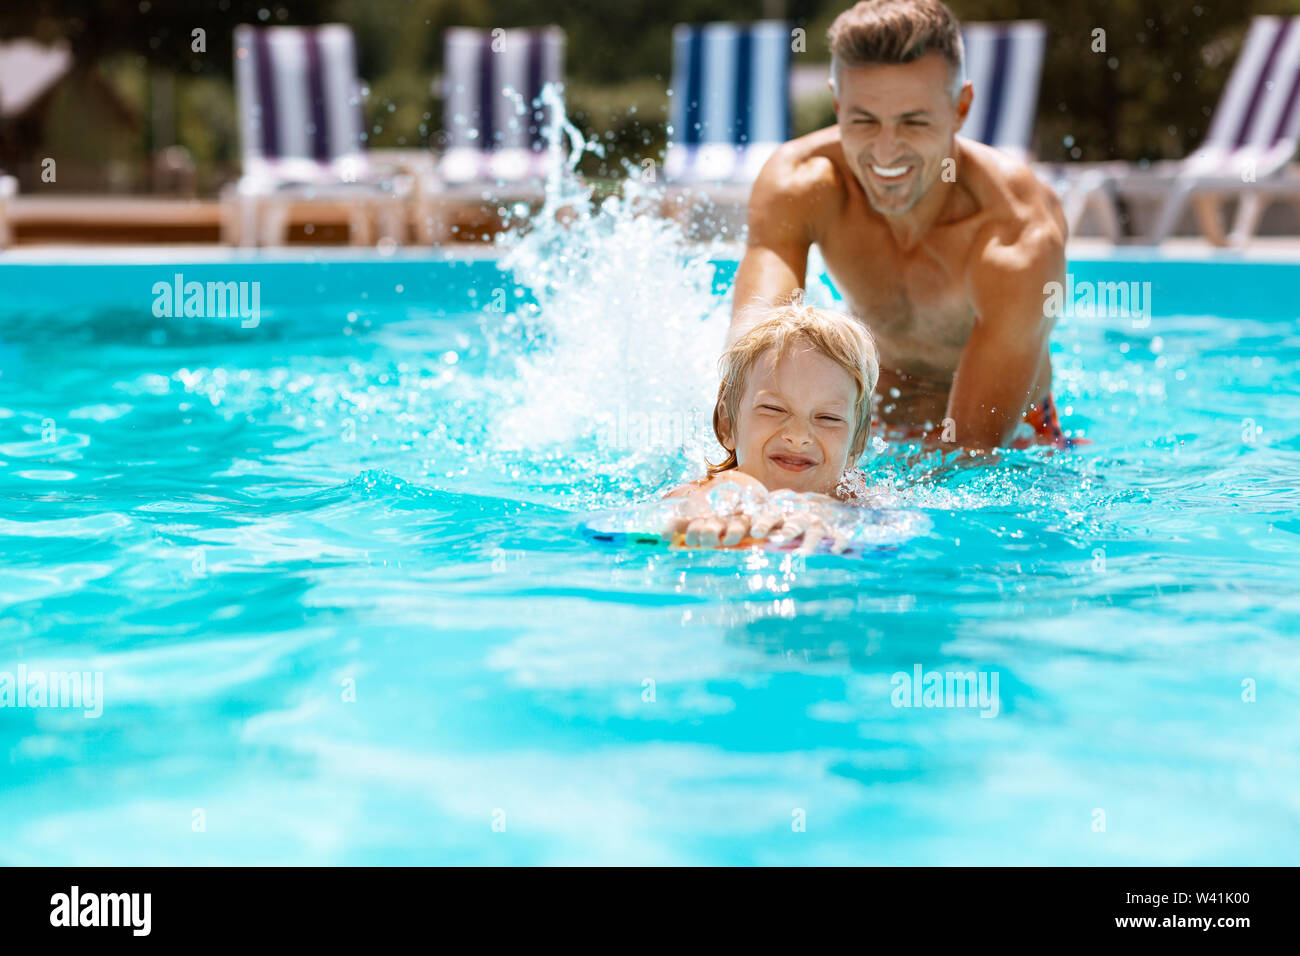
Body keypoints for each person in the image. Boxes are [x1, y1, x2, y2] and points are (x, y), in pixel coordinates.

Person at [731, 0, 1080, 454]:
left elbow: (970, 450)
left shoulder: (1016, 236)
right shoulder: (802, 184)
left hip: (1011, 438)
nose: (885, 151)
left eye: (913, 122)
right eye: (863, 121)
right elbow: (752, 356)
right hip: (871, 420)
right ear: (837, 105)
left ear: (961, 107)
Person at [663, 298, 881, 551]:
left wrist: (829, 512)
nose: (798, 436)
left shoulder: (863, 504)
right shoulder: (701, 495)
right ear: (727, 424)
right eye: (773, 409)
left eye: (828, 418)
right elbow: (687, 505)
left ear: (857, 443)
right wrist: (735, 494)